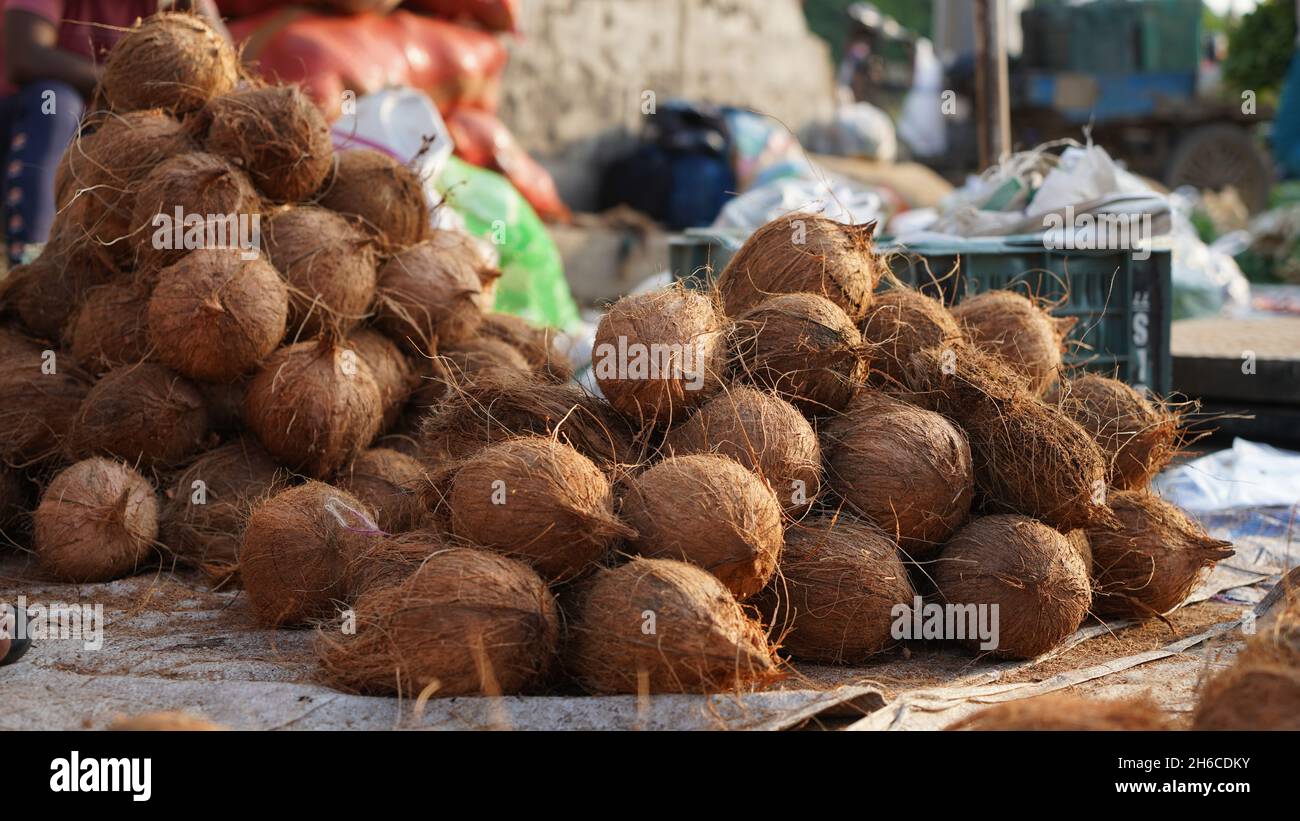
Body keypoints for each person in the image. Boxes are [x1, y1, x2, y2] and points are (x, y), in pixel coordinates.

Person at [0, 0, 228, 265]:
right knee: (55, 101)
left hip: (105, 137)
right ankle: (30, 255)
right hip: (33, 126)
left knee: (190, 120)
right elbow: (25, 55)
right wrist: (124, 83)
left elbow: (222, 67)